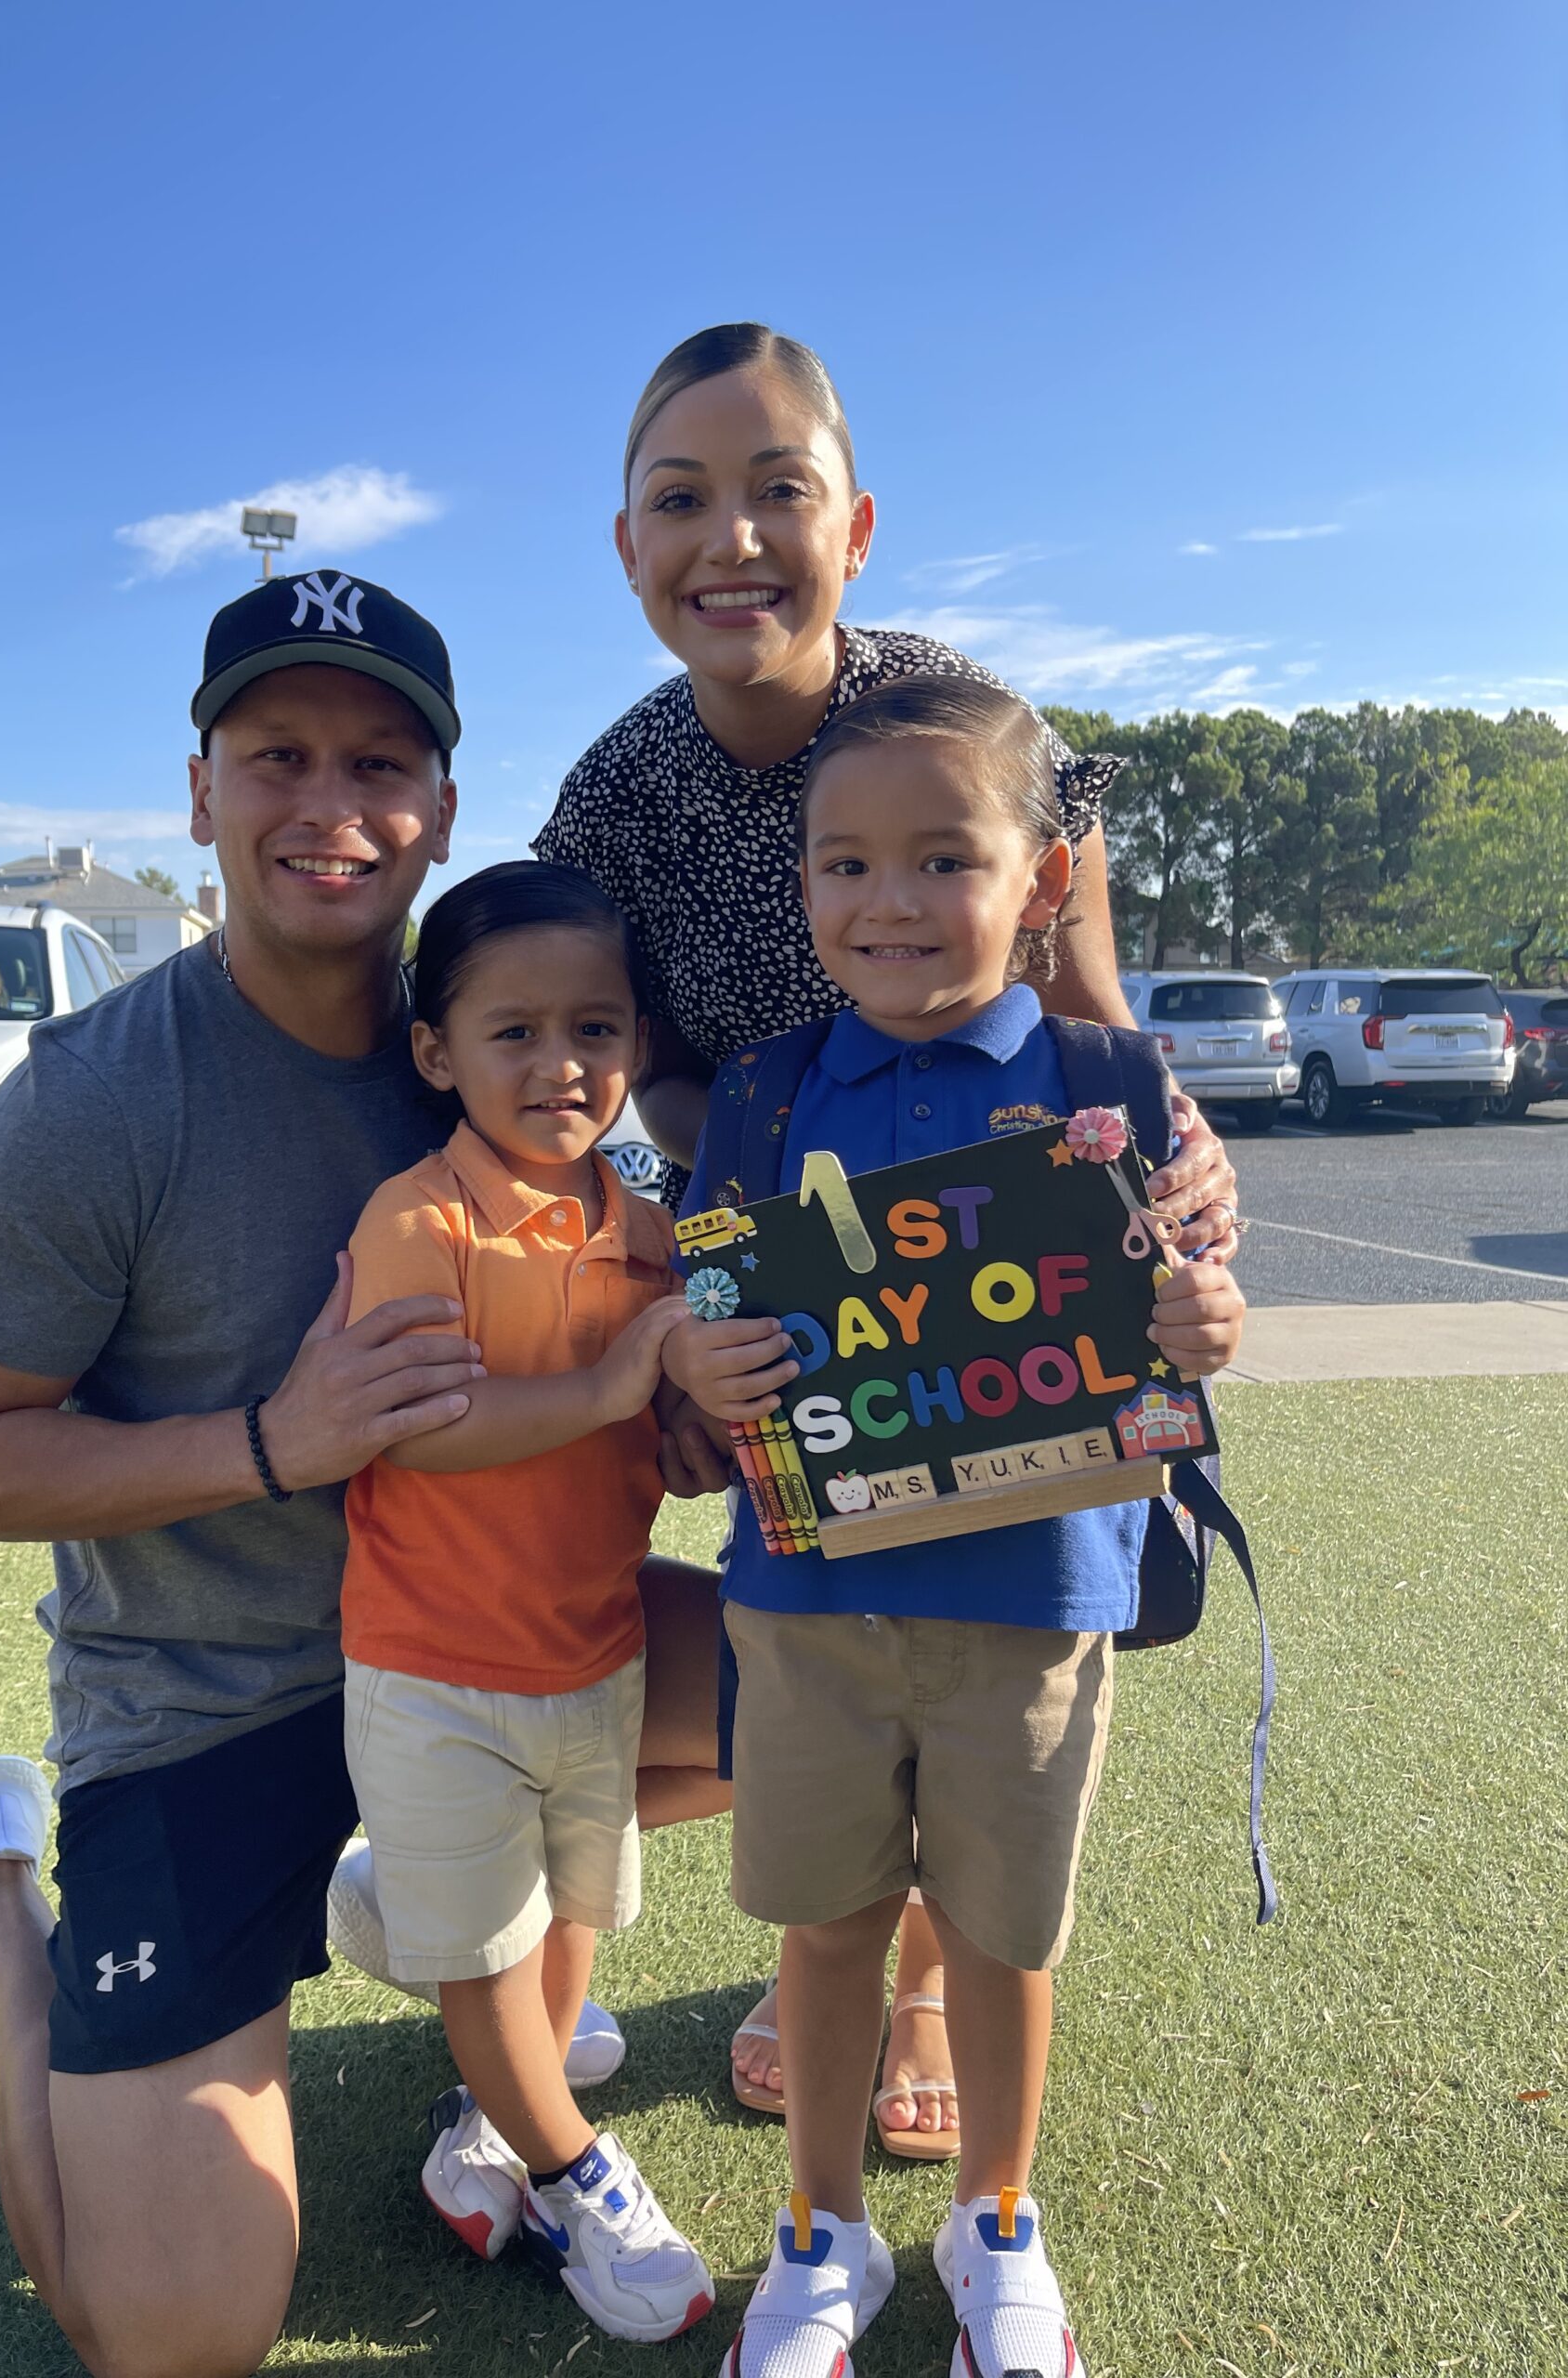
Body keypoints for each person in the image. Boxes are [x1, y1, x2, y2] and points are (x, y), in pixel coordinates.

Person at [0, 574, 725, 2378]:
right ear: (200, 793)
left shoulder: (514, 1044)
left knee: (830, 1696)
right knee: (176, 2331)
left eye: (381, 761)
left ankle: (429, 1939)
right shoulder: (95, 1099)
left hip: (483, 1642)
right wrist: (276, 1436)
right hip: (205, 1700)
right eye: (278, 756)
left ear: (439, 808)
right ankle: (2, 1915)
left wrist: (666, 1405)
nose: (331, 805)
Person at [534, 320, 1242, 2149]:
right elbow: (601, 1065)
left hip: (1000, 1233)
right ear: (629, 550)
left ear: (855, 522)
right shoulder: (614, 793)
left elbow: (1083, 996)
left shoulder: (943, 699)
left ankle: (929, 1968)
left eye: (778, 490)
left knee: (1004, 1606)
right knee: (826, 1609)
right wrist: (694, 1265)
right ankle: (832, 1927)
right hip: (787, 1236)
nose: (732, 540)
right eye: (681, 499)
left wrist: (1170, 1146)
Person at [662, 673, 1247, 2378]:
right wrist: (695, 1356)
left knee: (998, 1938)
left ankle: (997, 2218)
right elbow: (705, 1331)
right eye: (846, 865)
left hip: (1037, 1601)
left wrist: (1205, 1329)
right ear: (806, 892)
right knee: (830, 1928)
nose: (890, 903)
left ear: (1041, 882)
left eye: (942, 859)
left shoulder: (1112, 1080)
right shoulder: (765, 1100)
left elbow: (1185, 1317)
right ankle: (819, 2227)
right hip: (807, 1604)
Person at [337, 861, 713, 2340]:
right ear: (436, 1052)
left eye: (596, 1029)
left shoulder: (656, 1230)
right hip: (433, 1659)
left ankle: (494, 2113)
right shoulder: (418, 1222)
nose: (562, 1065)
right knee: (494, 1949)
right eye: (514, 1032)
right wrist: (619, 1382)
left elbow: (660, 1441)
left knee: (568, 1916)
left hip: (594, 1642)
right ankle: (572, 2163)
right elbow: (418, 1423)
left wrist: (679, 1434)